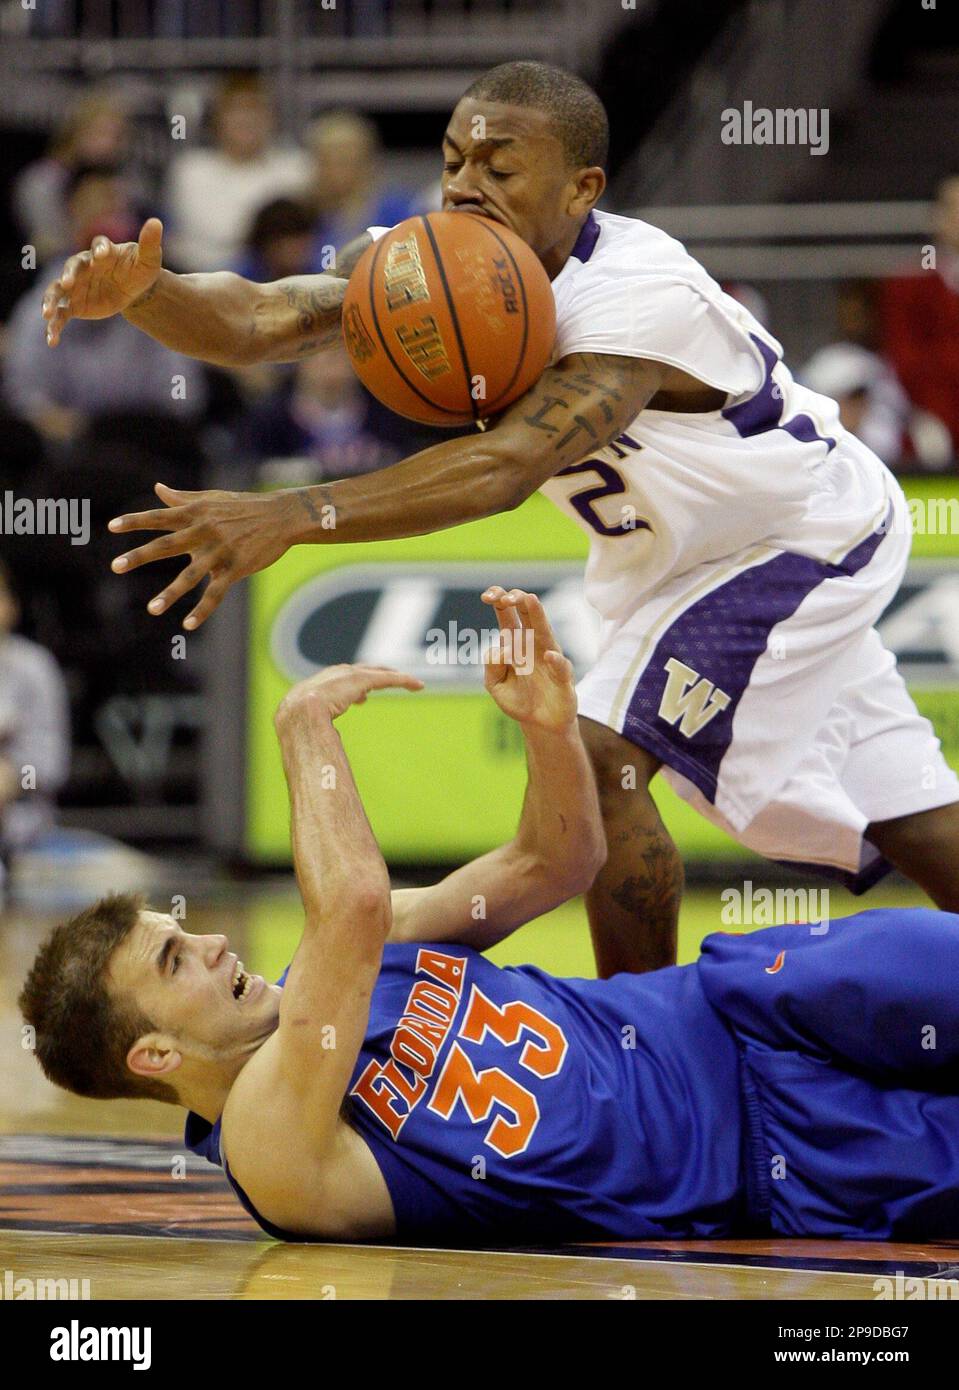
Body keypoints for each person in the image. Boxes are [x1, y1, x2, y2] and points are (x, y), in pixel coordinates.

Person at [40, 61, 959, 981]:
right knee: (904, 810)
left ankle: (645, 1044)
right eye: (452, 159)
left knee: (604, 759)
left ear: (581, 188)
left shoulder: (638, 296)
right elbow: (262, 318)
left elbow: (505, 467)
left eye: (498, 166)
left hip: (797, 534)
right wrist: (146, 295)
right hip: (677, 562)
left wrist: (294, 512)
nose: (463, 184)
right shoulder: (431, 256)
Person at [18, 587, 959, 1245]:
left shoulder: (348, 967)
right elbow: (349, 901)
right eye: (175, 959)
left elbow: (555, 862)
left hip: (736, 1001)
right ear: (154, 1057)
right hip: (770, 1155)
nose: (214, 938)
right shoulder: (270, 1148)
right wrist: (303, 727)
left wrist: (547, 733)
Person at [6, 164, 207, 443]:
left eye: (117, 202)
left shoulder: (159, 299)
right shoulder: (40, 306)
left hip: (146, 445)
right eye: (99, 200)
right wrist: (80, 432)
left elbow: (183, 400)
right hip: (70, 452)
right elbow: (25, 401)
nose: (109, 210)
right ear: (72, 210)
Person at [164, 73, 310, 271]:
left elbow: (296, 237)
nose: (246, 119)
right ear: (218, 120)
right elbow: (218, 230)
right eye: (237, 111)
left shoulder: (295, 167)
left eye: (255, 110)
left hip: (275, 282)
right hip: (201, 278)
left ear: (271, 118)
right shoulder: (192, 169)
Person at [0, 561, 70, 886]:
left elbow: (52, 764)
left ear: (11, 605)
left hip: (25, 829)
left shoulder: (34, 667)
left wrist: (12, 776)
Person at [880, 174, 959, 457]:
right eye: (952, 208)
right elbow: (904, 357)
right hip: (931, 419)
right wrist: (924, 417)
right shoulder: (909, 282)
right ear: (936, 217)